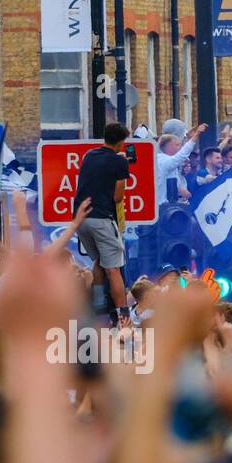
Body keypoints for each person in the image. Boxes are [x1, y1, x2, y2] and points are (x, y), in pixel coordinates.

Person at [73, 122, 132, 320]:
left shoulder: (89, 155)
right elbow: (118, 197)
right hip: (102, 218)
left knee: (99, 260)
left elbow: (100, 170)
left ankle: (98, 305)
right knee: (113, 268)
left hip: (81, 219)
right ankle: (123, 314)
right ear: (121, 143)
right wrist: (122, 166)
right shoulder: (119, 162)